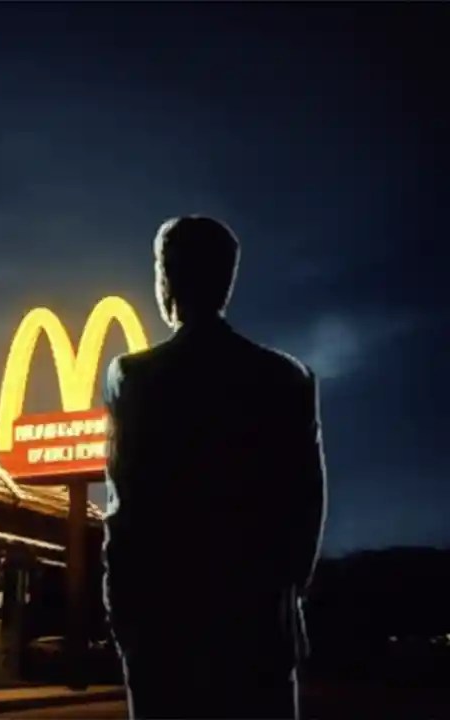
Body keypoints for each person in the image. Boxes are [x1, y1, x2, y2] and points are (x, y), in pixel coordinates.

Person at [101, 216, 327, 719]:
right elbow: (306, 507)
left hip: (164, 630)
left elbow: (125, 513)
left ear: (167, 279)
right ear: (227, 280)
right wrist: (281, 597)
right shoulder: (289, 378)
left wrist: (127, 622)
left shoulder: (132, 378)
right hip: (257, 629)